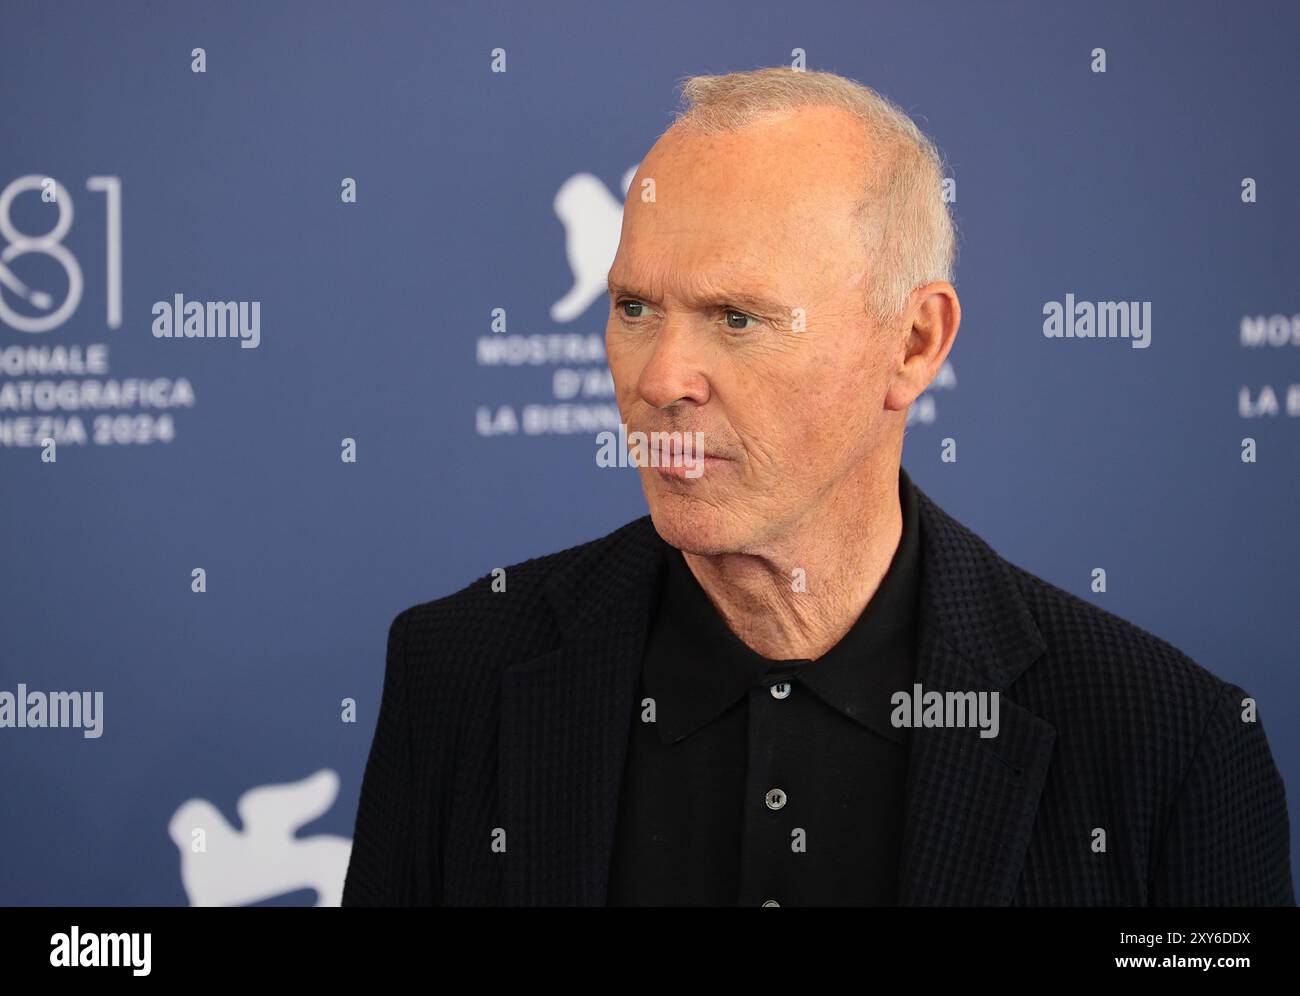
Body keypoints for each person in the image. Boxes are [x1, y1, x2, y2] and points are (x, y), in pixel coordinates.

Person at [342, 67, 1292, 906]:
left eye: (738, 318)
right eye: (635, 307)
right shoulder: (457, 675)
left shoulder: (1166, 744)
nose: (660, 377)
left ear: (914, 343)